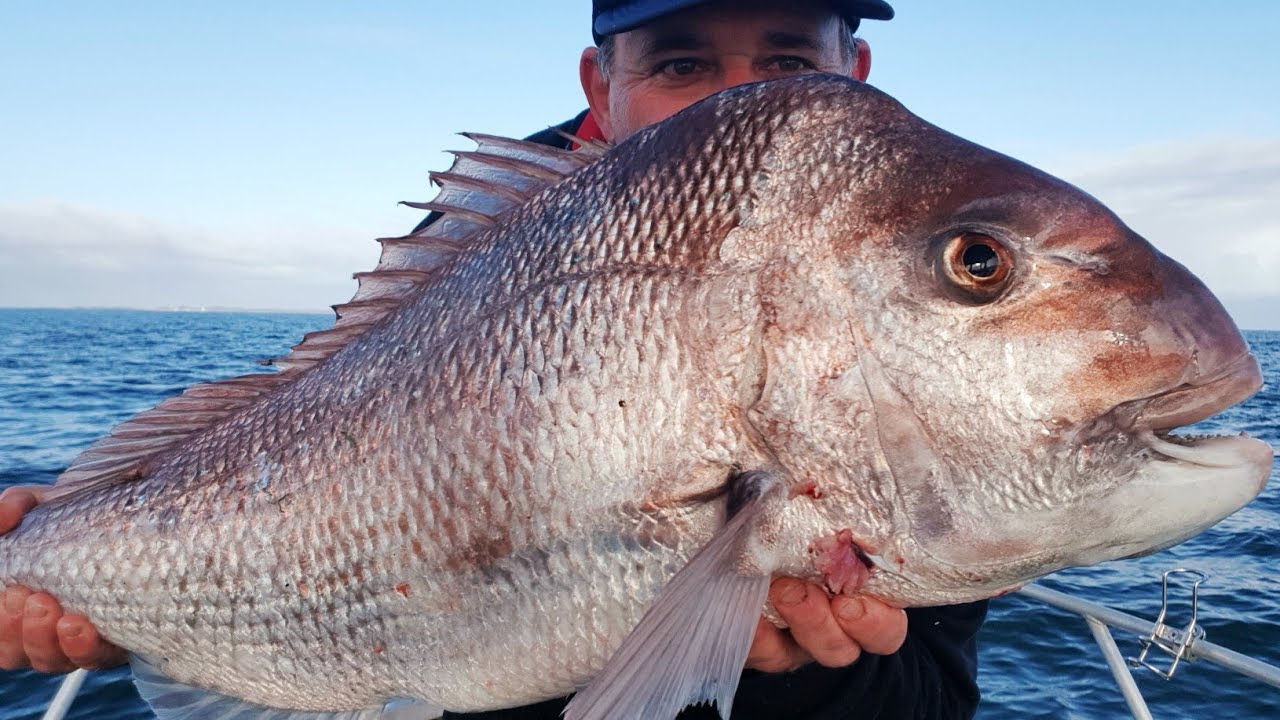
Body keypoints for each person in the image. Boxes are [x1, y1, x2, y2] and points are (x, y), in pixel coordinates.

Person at [0, 1, 988, 717]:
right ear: (599, 86)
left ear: (850, 72)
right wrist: (77, 530)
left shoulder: (904, 290)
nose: (734, 99)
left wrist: (814, 666)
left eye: (783, 58)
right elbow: (297, 437)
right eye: (679, 63)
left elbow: (929, 697)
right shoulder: (477, 262)